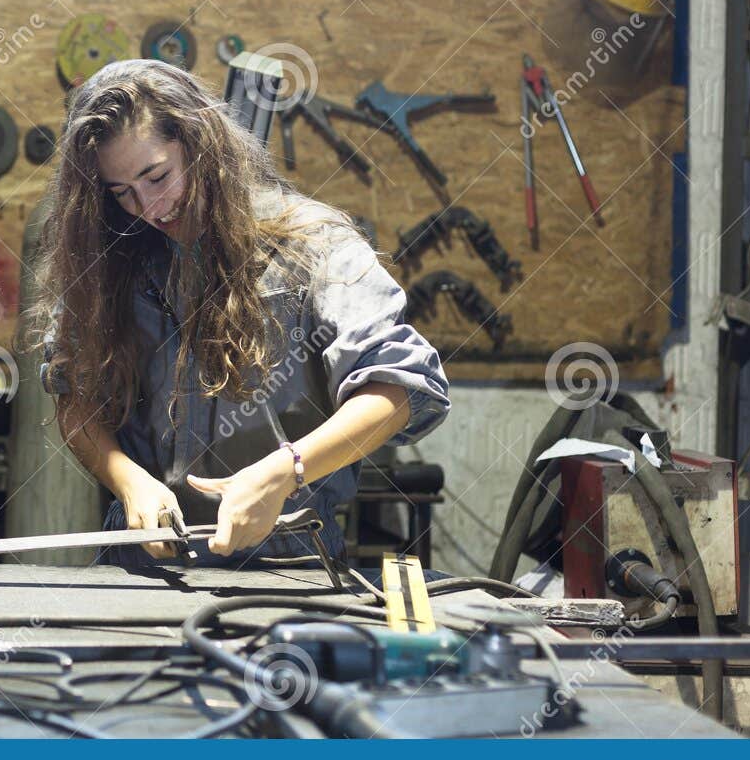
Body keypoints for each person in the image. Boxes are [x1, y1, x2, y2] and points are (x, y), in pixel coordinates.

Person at [36, 59, 449, 566]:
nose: (147, 206)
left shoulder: (314, 247)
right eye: (121, 192)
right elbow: (72, 397)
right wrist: (127, 479)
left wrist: (288, 469)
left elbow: (400, 387)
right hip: (146, 563)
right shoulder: (113, 257)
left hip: (289, 565)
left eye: (157, 176)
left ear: (199, 143)